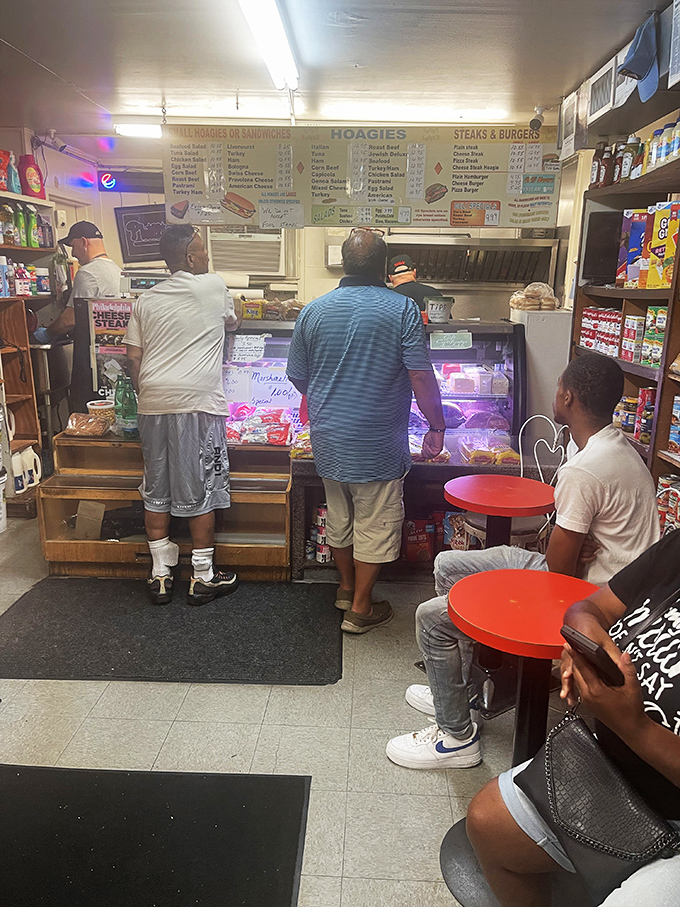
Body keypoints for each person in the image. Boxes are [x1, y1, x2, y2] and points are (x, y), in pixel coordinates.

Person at [386, 352, 660, 769]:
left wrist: (567, 544)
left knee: (430, 617)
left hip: (591, 598)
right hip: (600, 579)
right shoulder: (612, 445)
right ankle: (462, 689)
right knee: (447, 565)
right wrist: (570, 541)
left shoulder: (586, 468)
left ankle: (456, 737)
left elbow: (556, 571)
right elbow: (562, 546)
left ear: (566, 396)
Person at [466, 529, 680, 907]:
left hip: (671, 815)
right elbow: (589, 608)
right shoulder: (675, 550)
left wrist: (633, 727)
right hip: (608, 773)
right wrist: (587, 645)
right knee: (488, 821)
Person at [287, 228, 445, 634]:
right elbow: (421, 377)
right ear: (383, 267)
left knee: (339, 516)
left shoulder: (313, 311)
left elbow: (299, 377)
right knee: (375, 522)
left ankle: (344, 587)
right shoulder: (401, 309)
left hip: (329, 438)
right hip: (377, 442)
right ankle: (361, 609)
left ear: (344, 264)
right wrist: (437, 424)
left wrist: (332, 401)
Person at [125, 224, 241, 606]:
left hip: (153, 404)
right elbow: (234, 321)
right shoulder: (211, 286)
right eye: (203, 249)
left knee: (157, 488)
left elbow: (132, 358)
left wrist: (150, 393)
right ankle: (203, 577)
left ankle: (160, 575)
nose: (207, 255)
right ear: (191, 258)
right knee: (198, 489)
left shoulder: (145, 300)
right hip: (196, 404)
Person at [31, 221, 122, 343]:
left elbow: (70, 319)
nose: (73, 253)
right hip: (114, 344)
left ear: (84, 242)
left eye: (73, 246)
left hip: (93, 348)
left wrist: (47, 333)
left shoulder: (88, 272)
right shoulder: (117, 269)